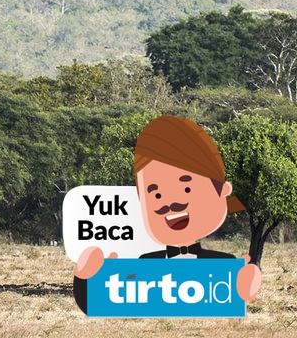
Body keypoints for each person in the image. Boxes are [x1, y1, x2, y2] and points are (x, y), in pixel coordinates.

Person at [72, 115, 261, 314]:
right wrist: (88, 280)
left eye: (187, 189)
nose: (170, 204)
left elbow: (231, 298)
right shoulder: (147, 262)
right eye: (156, 194)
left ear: (222, 190)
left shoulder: (224, 265)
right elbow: (111, 298)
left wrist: (243, 286)